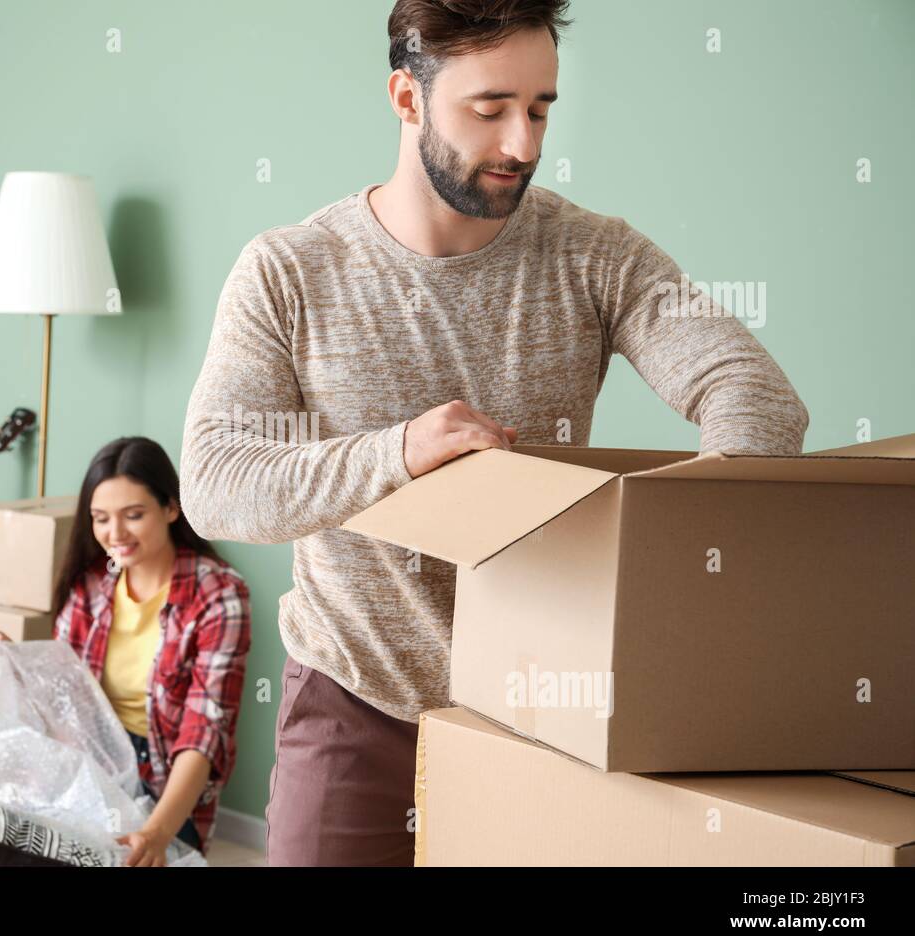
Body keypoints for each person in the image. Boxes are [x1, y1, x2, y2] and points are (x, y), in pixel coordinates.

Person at [178, 0, 809, 866]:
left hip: (546, 712)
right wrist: (397, 453)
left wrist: (676, 553)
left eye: (542, 107)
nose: (523, 142)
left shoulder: (596, 255)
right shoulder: (289, 270)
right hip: (353, 703)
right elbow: (216, 481)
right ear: (407, 98)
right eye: (490, 109)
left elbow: (757, 396)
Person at [0, 436, 251, 866]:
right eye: (100, 518)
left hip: (167, 778)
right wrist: (11, 659)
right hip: (94, 761)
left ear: (171, 508)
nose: (115, 534)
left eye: (134, 515)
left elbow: (204, 733)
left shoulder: (219, 596)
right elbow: (61, 691)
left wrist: (155, 834)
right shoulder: (92, 585)